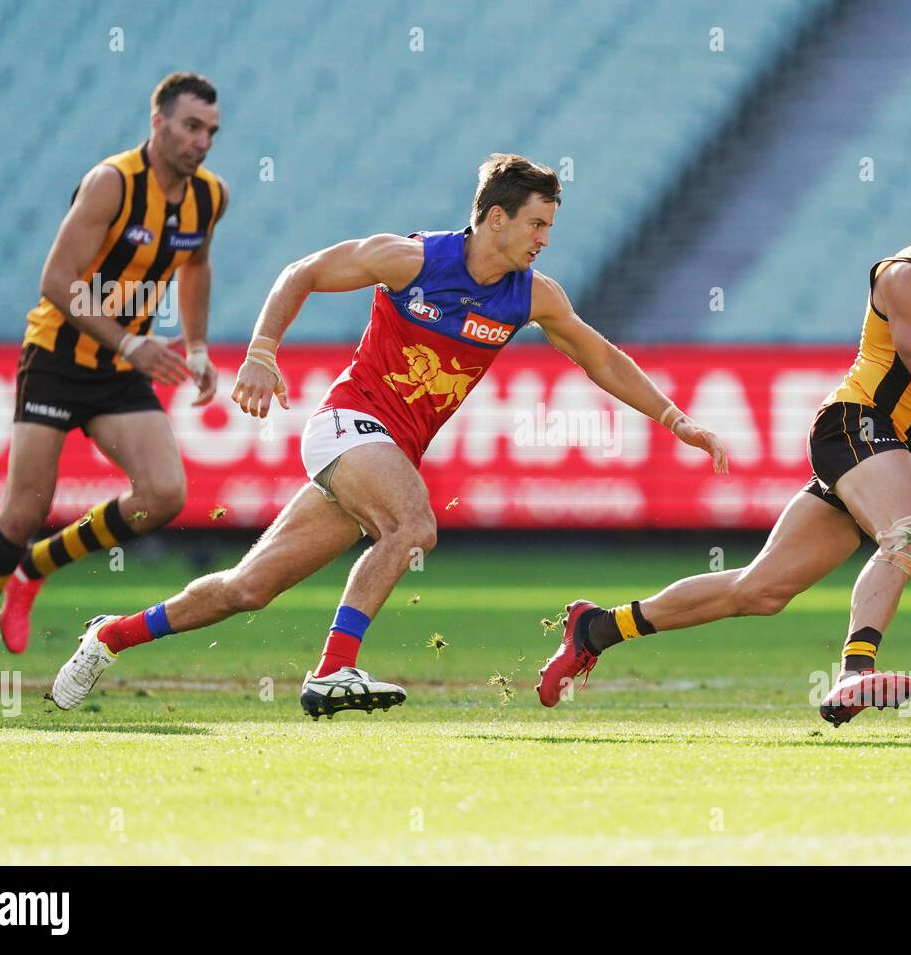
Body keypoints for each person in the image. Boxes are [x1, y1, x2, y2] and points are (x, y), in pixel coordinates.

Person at [50, 153, 729, 718]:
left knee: (246, 588)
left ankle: (108, 636)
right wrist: (262, 351)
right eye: (537, 224)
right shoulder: (411, 260)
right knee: (413, 524)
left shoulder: (531, 295)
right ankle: (333, 671)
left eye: (550, 227)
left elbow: (600, 356)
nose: (544, 239)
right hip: (347, 424)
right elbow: (305, 272)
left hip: (381, 450)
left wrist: (676, 419)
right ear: (495, 218)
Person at [538, 144, 911, 726]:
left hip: (890, 445)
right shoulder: (909, 277)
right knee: (910, 532)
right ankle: (856, 674)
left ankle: (595, 628)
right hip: (853, 423)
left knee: (759, 591)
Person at [0, 72, 227, 696]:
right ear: (159, 122)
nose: (201, 142)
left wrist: (195, 346)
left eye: (211, 131)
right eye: (191, 127)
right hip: (59, 359)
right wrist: (130, 342)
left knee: (165, 494)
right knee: (22, 510)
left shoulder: (209, 197)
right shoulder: (111, 184)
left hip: (120, 370)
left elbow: (195, 264)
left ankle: (38, 565)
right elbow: (56, 280)